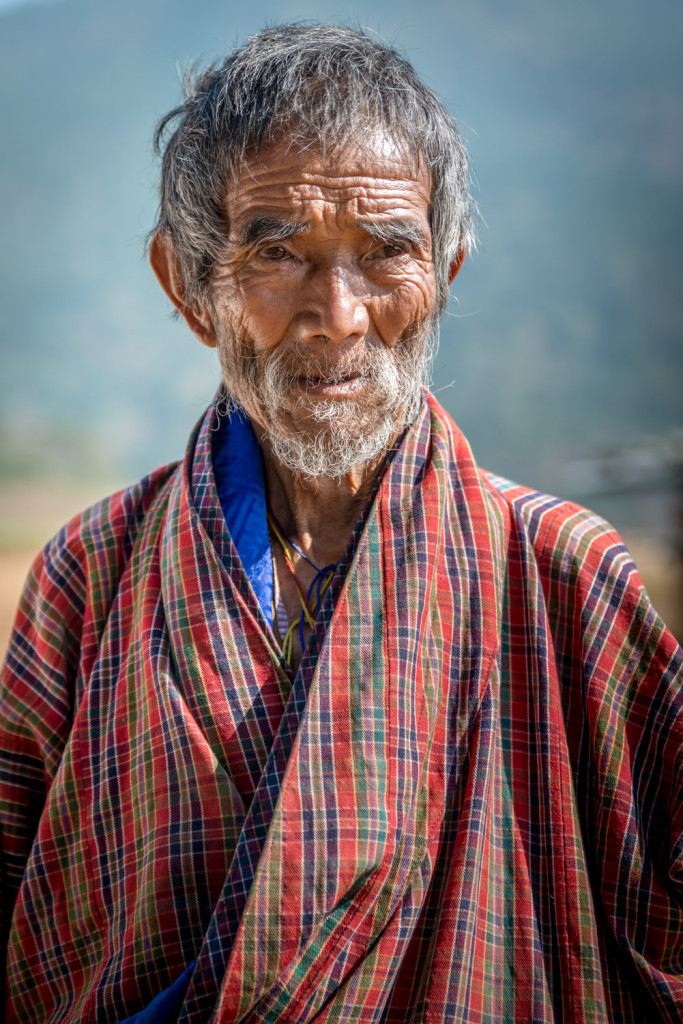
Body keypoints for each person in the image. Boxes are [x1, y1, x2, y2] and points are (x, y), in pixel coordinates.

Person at [1, 22, 681, 1024]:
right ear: (188, 286)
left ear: (444, 269)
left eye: (384, 253)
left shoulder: (558, 575)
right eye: (277, 251)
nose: (339, 314)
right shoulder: (92, 574)